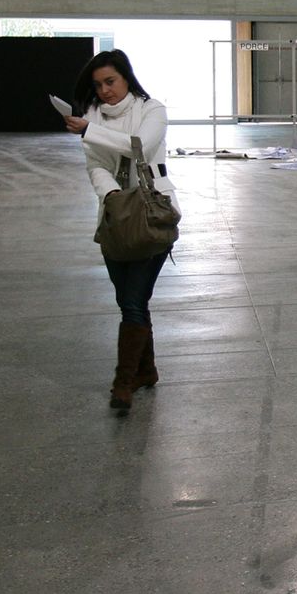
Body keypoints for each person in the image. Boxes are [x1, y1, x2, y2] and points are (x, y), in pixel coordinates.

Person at [62, 49, 174, 412]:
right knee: (129, 299)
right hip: (114, 217)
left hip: (151, 215)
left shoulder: (152, 110)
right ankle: (147, 370)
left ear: (126, 77)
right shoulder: (94, 114)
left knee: (133, 301)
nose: (105, 90)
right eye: (98, 85)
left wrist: (90, 131)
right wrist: (110, 195)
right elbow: (95, 163)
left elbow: (138, 148)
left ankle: (122, 383)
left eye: (110, 81)